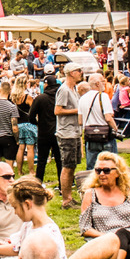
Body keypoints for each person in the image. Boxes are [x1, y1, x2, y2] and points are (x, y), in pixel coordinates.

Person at [54, 63, 84, 207]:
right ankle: (66, 199)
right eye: (78, 70)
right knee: (67, 165)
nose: (81, 73)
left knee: (72, 165)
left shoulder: (74, 89)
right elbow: (58, 110)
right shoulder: (64, 90)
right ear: (71, 73)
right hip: (66, 133)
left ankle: (70, 197)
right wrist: (78, 111)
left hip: (75, 132)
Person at [31, 75, 62, 190]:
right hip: (59, 131)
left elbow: (31, 115)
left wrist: (38, 124)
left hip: (44, 132)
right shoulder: (60, 97)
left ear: (46, 84)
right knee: (60, 160)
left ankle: (38, 183)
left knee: (42, 160)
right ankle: (62, 184)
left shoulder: (40, 98)